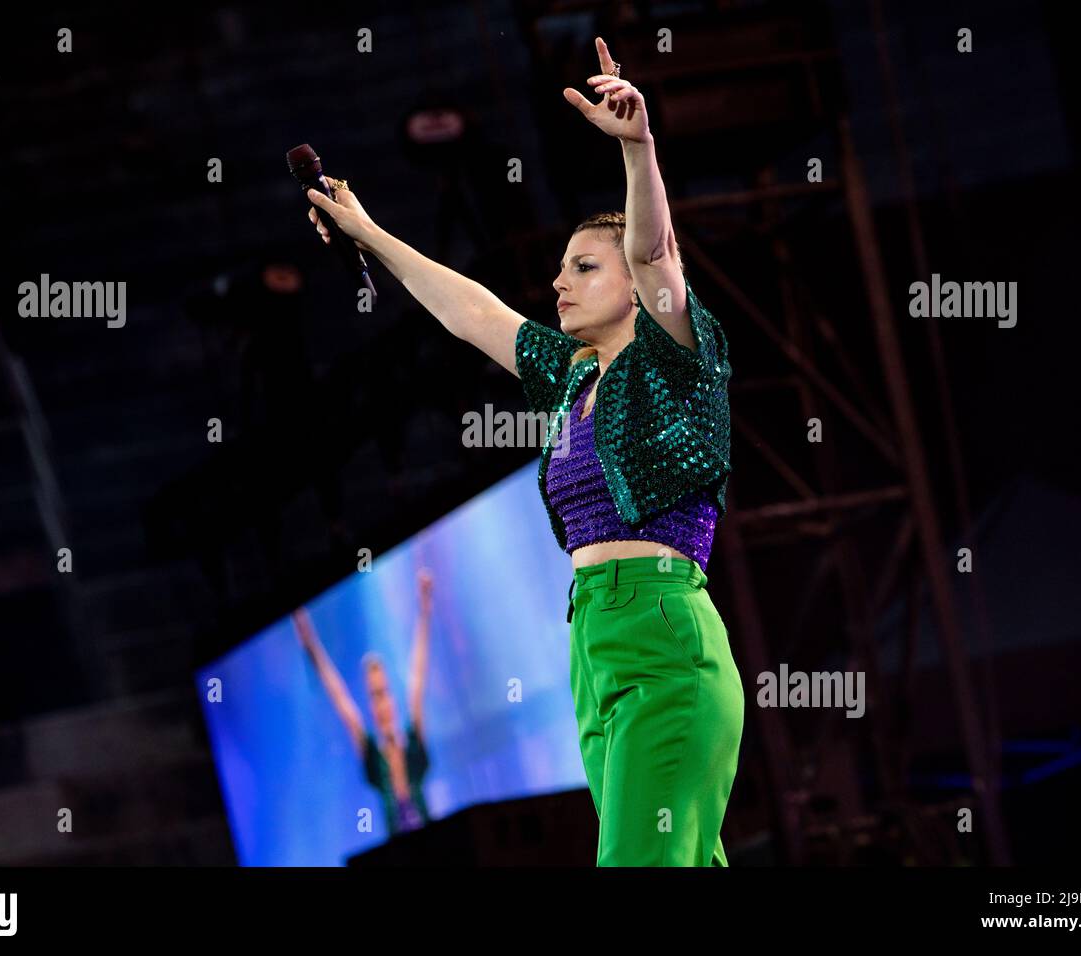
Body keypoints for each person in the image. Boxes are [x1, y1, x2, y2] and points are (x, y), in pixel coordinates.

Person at [304, 37, 743, 867]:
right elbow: (471, 312)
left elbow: (654, 253)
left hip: (663, 638)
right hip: (592, 644)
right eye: (560, 269)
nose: (559, 283)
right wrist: (367, 230)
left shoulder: (676, 358)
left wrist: (636, 147)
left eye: (583, 267)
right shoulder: (572, 375)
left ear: (635, 290)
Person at [292, 569, 434, 838]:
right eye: (374, 695)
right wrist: (310, 642)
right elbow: (341, 700)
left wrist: (425, 613)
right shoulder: (372, 756)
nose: (381, 704)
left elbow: (417, 680)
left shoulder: (413, 745)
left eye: (383, 693)